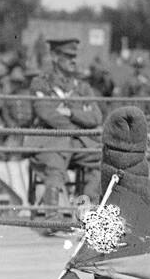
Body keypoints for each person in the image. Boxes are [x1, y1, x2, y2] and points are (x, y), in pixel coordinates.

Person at [27, 38, 104, 214]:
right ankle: (52, 216)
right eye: (68, 56)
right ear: (54, 57)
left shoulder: (82, 87)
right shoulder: (40, 84)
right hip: (49, 143)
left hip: (78, 144)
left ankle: (87, 211)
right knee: (55, 163)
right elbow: (47, 114)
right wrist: (79, 125)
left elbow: (96, 117)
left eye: (75, 56)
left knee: (104, 160)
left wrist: (71, 113)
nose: (74, 60)